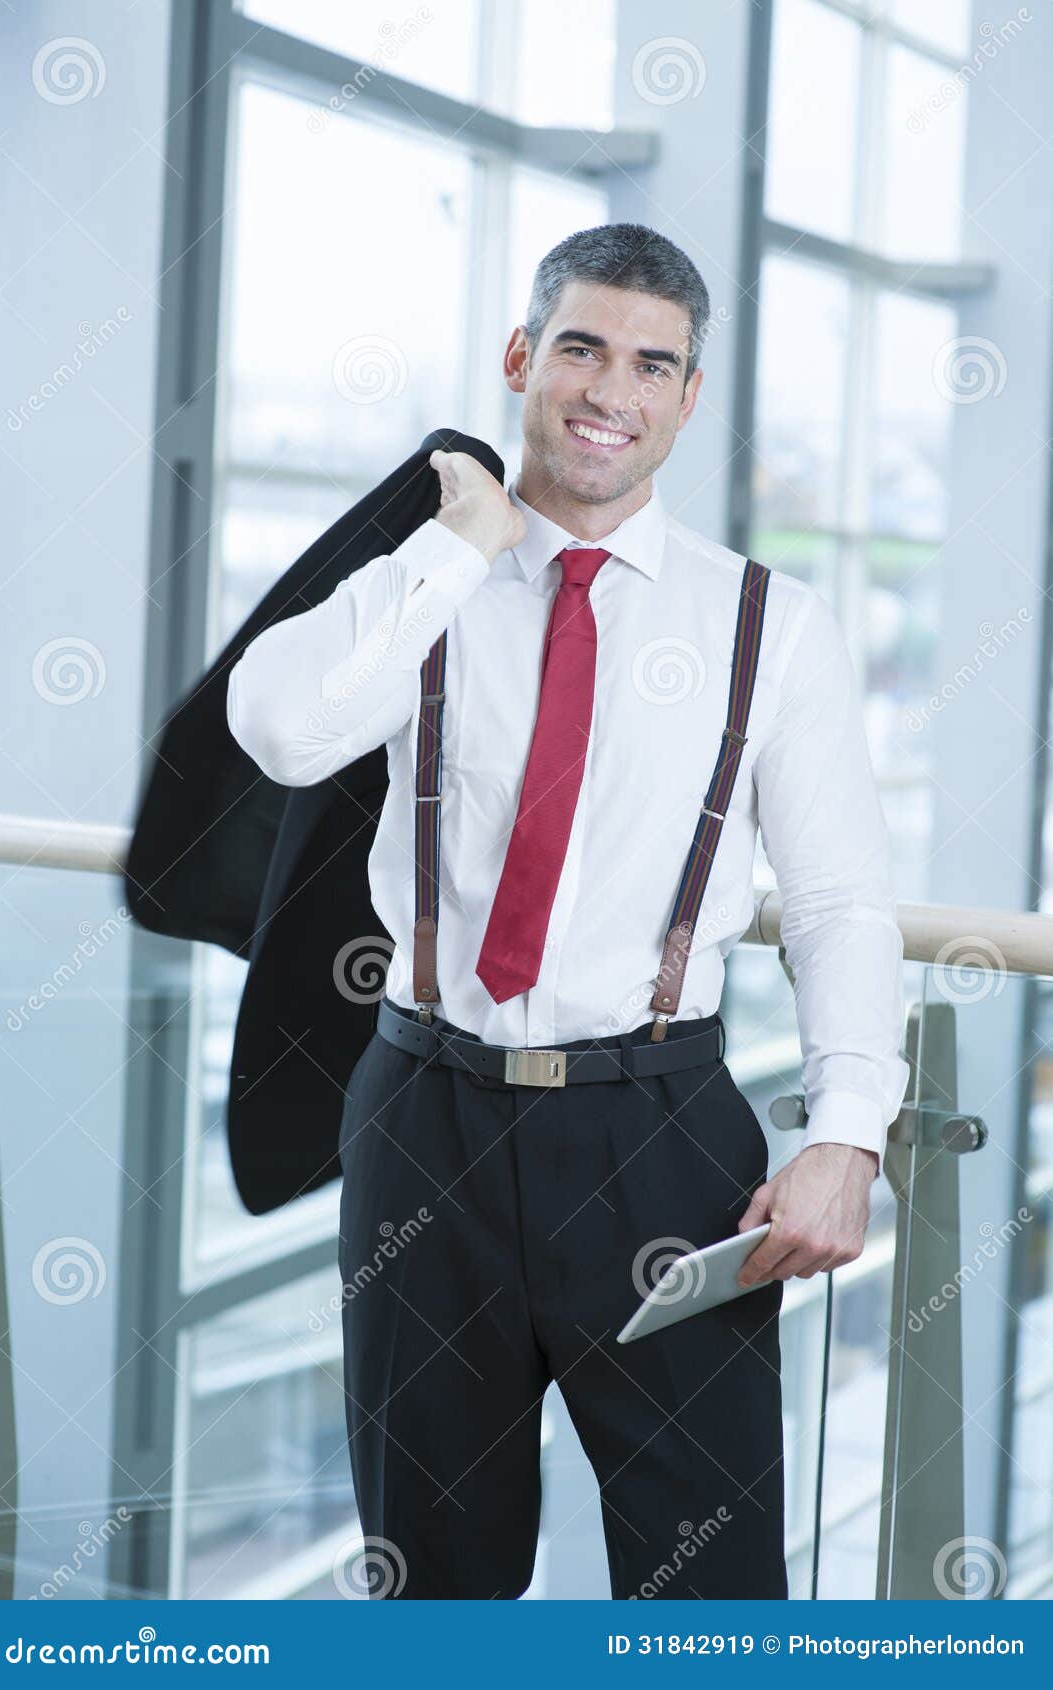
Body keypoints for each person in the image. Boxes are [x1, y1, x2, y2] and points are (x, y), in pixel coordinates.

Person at [226, 222, 909, 1599]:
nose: (613, 391)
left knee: (707, 1583)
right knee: (434, 1576)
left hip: (658, 1134)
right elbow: (284, 728)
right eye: (584, 348)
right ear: (522, 357)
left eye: (654, 364)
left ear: (688, 395)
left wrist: (846, 1133)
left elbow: (837, 900)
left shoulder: (767, 621)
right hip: (425, 1117)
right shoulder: (417, 578)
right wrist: (456, 555)